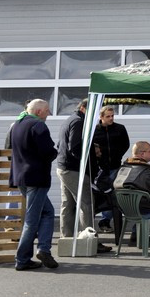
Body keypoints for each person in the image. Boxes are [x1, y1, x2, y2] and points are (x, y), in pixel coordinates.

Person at [56, 98, 113, 253]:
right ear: (83, 108)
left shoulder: (70, 119)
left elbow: (60, 145)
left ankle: (66, 239)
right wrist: (88, 159)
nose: (95, 115)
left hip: (64, 167)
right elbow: (74, 146)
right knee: (86, 204)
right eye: (93, 111)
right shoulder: (79, 122)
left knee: (67, 204)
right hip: (74, 169)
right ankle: (90, 241)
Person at [9, 99, 59, 271]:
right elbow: (47, 152)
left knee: (47, 211)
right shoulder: (38, 126)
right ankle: (23, 259)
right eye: (47, 111)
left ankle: (43, 249)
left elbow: (11, 150)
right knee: (32, 220)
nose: (48, 114)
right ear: (39, 111)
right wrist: (55, 151)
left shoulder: (16, 124)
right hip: (37, 178)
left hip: (21, 177)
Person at [93, 105, 130, 232]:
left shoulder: (120, 128)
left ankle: (106, 220)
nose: (111, 118)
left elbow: (126, 144)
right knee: (102, 193)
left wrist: (117, 154)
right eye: (108, 116)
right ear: (101, 117)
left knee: (113, 193)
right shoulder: (94, 130)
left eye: (112, 116)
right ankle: (104, 220)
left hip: (115, 166)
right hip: (100, 168)